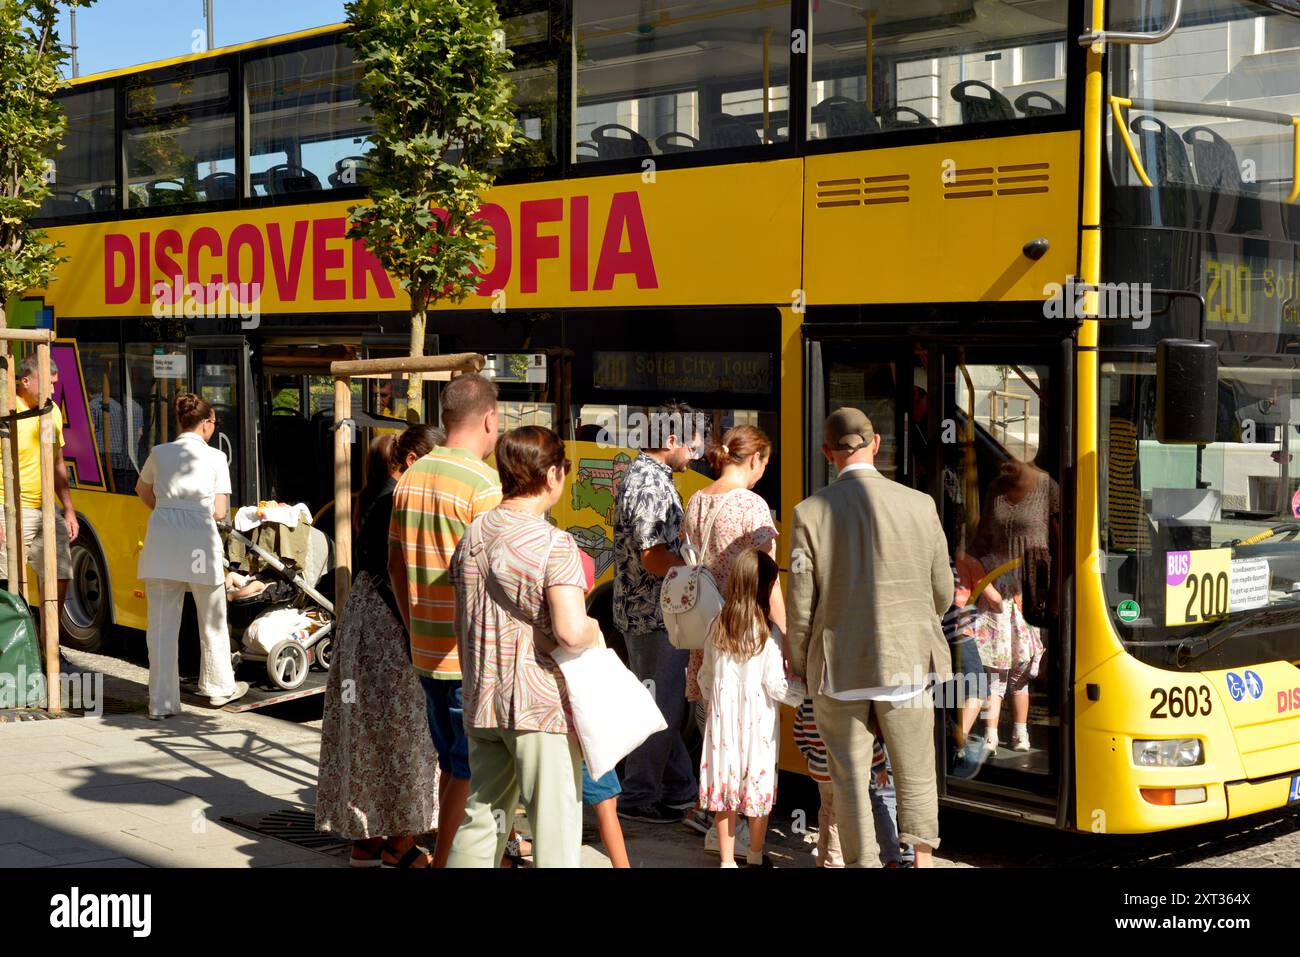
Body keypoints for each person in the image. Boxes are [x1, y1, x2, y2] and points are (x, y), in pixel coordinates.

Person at [787, 408, 953, 868]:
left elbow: (802, 602)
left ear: (827, 452)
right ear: (876, 444)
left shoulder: (809, 512)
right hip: (906, 662)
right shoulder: (921, 505)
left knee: (849, 778)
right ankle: (922, 863)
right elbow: (941, 591)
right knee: (916, 772)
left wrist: (800, 663)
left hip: (840, 667)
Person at [446, 426, 601, 868]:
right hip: (539, 709)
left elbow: (461, 621)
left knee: (482, 821)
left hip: (482, 700)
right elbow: (571, 632)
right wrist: (594, 629)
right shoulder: (555, 544)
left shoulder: (474, 535)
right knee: (554, 830)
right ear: (552, 474)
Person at [316, 426, 444, 868]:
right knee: (403, 734)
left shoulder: (373, 495)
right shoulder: (394, 500)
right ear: (409, 462)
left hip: (363, 621)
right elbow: (397, 573)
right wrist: (418, 632)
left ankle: (369, 841)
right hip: (389, 627)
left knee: (372, 733)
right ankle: (399, 843)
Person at [388, 372, 502, 868]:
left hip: (425, 648)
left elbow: (395, 564)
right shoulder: (483, 483)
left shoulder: (410, 476)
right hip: (469, 655)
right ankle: (447, 861)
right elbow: (499, 573)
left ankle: (455, 851)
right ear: (490, 420)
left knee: (451, 762)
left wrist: (413, 624)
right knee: (472, 769)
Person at [681, 424, 783, 848]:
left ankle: (717, 827)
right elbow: (768, 581)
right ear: (755, 459)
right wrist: (788, 634)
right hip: (746, 638)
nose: (763, 472)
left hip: (707, 637)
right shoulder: (753, 507)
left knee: (718, 738)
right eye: (764, 464)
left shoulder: (696, 500)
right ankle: (741, 833)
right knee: (750, 741)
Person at [611, 401, 702, 824]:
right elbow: (652, 557)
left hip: (649, 612)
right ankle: (637, 796)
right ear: (670, 441)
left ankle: (678, 788)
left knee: (661, 703)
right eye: (694, 441)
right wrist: (697, 574)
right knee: (660, 707)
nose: (699, 450)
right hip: (654, 615)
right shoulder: (650, 483)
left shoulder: (648, 475)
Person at [135, 394, 248, 716]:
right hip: (199, 542)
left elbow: (142, 491)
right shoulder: (215, 457)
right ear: (206, 423)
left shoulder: (159, 453)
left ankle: (161, 702)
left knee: (160, 625)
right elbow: (220, 510)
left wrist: (168, 512)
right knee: (211, 617)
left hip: (162, 541)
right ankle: (218, 687)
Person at [697, 548, 787, 868]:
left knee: (726, 788)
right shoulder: (768, 632)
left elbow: (705, 677)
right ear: (764, 587)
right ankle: (755, 855)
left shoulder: (717, 625)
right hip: (758, 723)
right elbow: (776, 684)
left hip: (722, 723)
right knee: (757, 788)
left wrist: (719, 702)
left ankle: (726, 860)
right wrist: (803, 695)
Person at [970, 454, 1058, 754]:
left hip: (1031, 590)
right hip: (996, 587)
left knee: (1021, 670)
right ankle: (991, 735)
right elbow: (982, 536)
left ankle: (1020, 733)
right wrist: (972, 577)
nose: (1006, 459)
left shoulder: (1049, 487)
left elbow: (1064, 537)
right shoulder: (996, 487)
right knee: (995, 668)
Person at [0, 355, 80, 648]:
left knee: (61, 574)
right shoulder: (7, 410)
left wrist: (68, 509)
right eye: (48, 384)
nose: (53, 391)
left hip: (46, 509)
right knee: (7, 582)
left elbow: (58, 462)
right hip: (8, 508)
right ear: (25, 381)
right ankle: (12, 649)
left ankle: (48, 645)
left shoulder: (51, 411)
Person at [89, 388, 145, 495]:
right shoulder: (136, 407)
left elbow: (89, 432)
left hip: (105, 458)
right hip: (130, 460)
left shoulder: (95, 405)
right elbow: (140, 432)